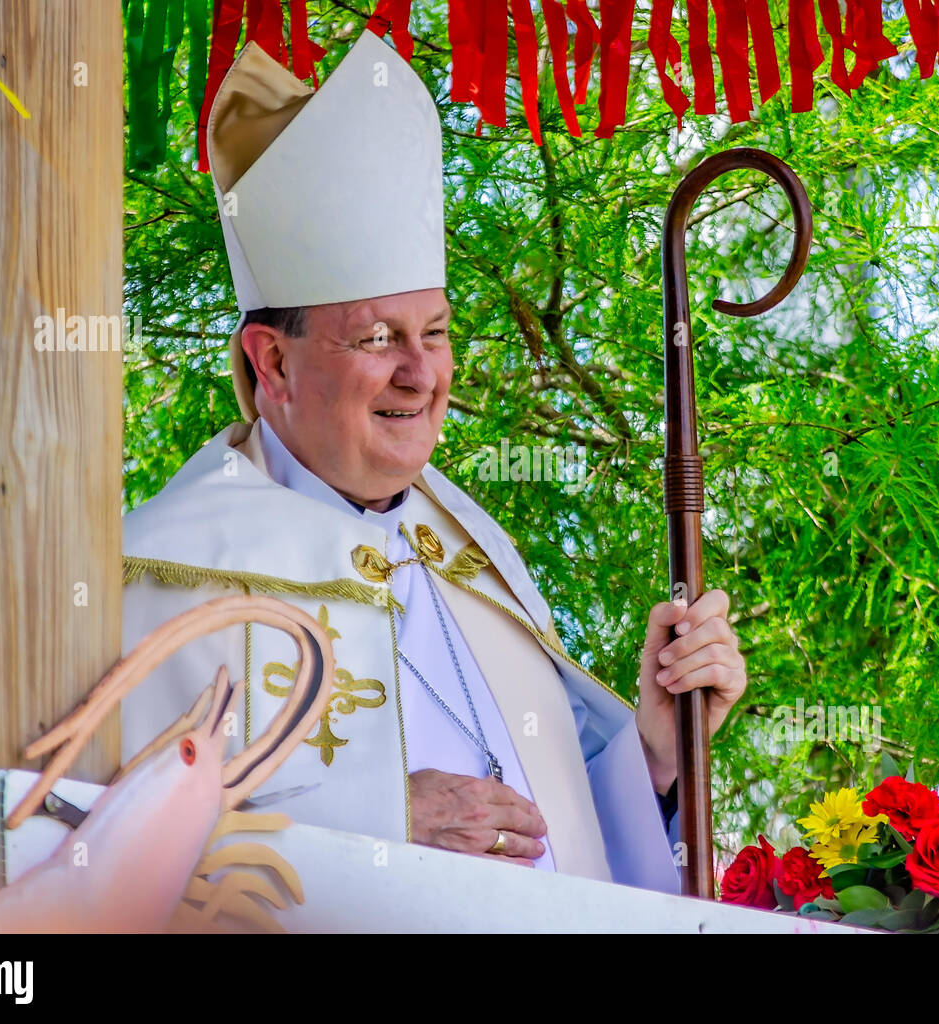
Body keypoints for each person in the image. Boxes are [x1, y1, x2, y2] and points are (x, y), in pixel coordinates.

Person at [120, 28, 747, 894]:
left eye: (438, 333)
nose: (421, 374)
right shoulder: (165, 573)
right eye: (378, 339)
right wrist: (377, 824)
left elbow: (567, 852)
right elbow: (103, 848)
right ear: (271, 364)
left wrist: (655, 758)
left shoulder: (472, 552)